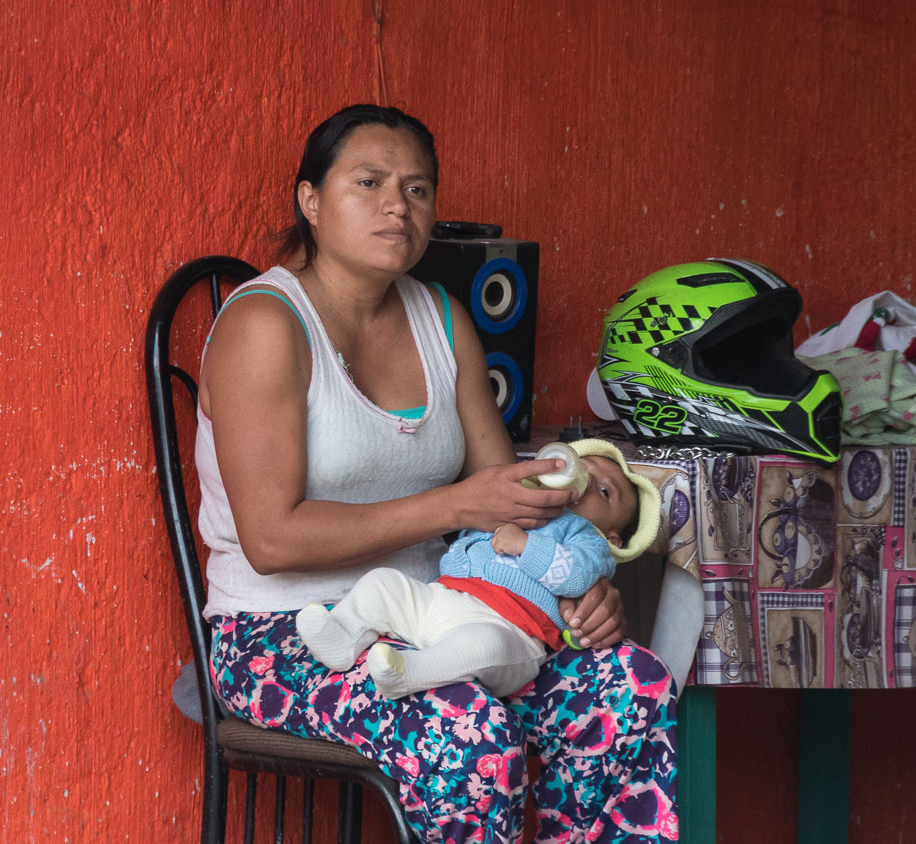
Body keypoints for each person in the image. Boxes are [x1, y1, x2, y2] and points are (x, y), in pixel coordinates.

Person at [194, 103, 678, 843]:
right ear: (311, 201)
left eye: (418, 189)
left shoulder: (444, 319)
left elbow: (507, 503)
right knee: (467, 730)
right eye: (369, 182)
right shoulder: (265, 325)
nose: (398, 203)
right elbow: (272, 539)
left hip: (451, 609)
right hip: (287, 631)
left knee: (626, 686)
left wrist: (584, 589)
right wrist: (452, 507)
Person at [295, 439, 663, 699]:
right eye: (583, 468)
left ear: (614, 536)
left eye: (604, 493)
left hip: (509, 629)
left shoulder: (590, 540)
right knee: (383, 584)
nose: (587, 481)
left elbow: (578, 576)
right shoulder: (523, 504)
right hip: (444, 597)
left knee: (481, 646)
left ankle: (411, 671)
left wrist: (527, 546)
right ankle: (344, 632)